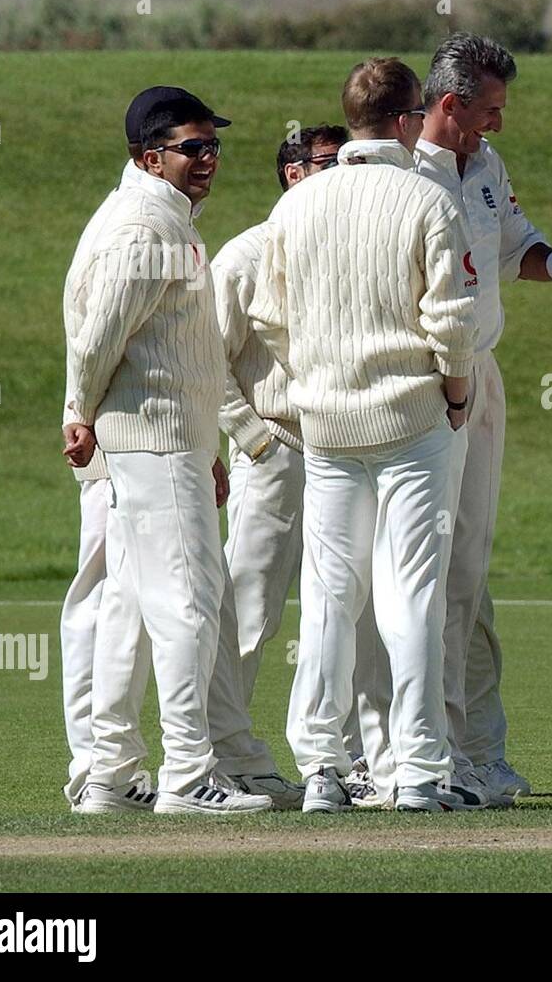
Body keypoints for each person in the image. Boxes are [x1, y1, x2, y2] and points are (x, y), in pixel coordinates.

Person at [249, 57, 481, 814]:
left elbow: (268, 317)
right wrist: (458, 390)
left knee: (328, 593)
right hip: (410, 415)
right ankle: (416, 770)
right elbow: (452, 319)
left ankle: (321, 767)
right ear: (409, 118)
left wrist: (310, 373)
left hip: (327, 421)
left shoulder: (297, 206)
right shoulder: (426, 198)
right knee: (411, 594)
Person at [413, 32, 552, 804]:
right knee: (421, 570)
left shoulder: (487, 165)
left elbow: (517, 250)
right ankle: (418, 750)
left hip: (481, 376)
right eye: (491, 109)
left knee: (469, 566)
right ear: (450, 103)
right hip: (417, 381)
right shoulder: (404, 172)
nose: (500, 122)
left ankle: (477, 747)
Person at [63, 88, 272, 814]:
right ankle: (188, 772)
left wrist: (207, 441)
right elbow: (98, 334)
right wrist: (78, 410)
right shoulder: (146, 228)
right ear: (151, 156)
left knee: (130, 605)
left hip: (165, 437)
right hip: (150, 438)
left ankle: (112, 774)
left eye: (214, 144)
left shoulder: (157, 216)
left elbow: (168, 346)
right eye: (193, 146)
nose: (209, 158)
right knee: (189, 602)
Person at [212, 124, 346, 706]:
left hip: (344, 449)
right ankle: (220, 752)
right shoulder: (243, 256)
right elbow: (205, 361)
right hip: (275, 448)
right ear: (295, 173)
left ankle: (342, 758)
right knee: (249, 606)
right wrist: (254, 438)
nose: (348, 175)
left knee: (345, 607)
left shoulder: (347, 253)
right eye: (333, 163)